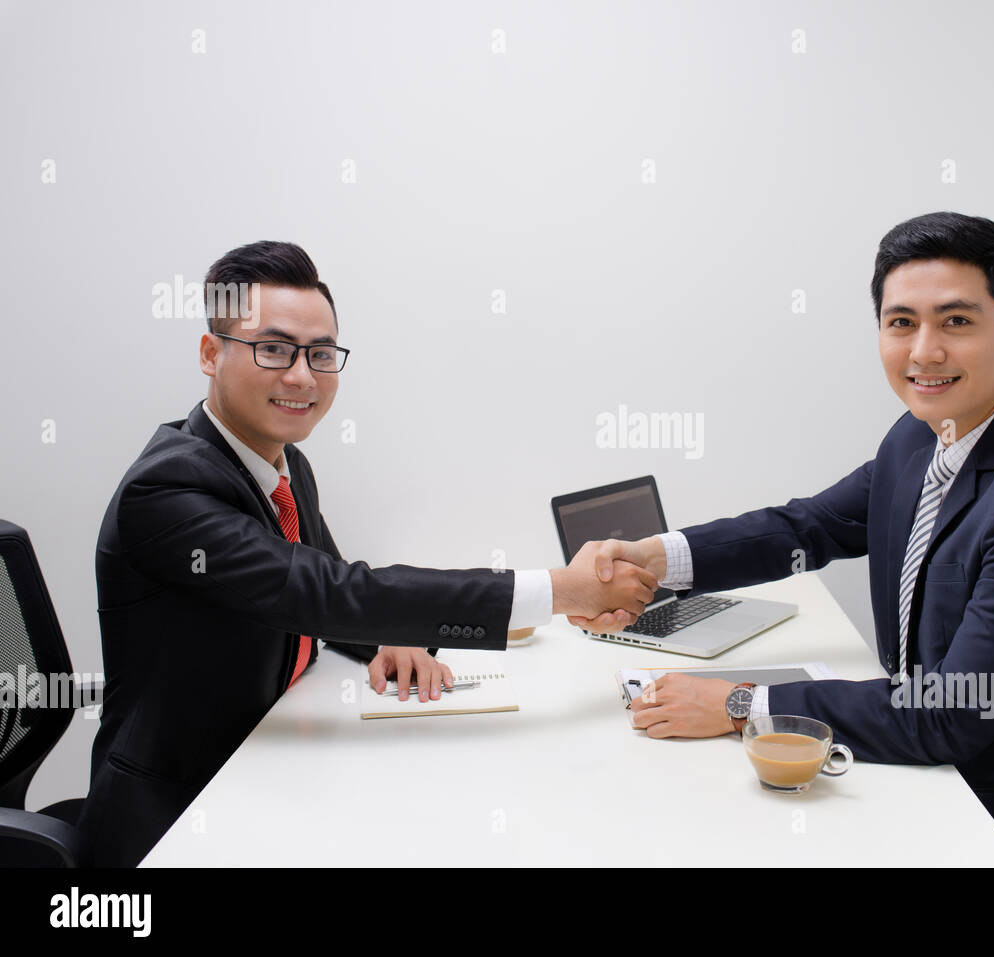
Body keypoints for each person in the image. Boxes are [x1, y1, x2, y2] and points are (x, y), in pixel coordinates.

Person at [574, 212, 994, 867]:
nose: (923, 351)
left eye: (956, 321)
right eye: (902, 323)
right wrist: (655, 559)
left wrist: (739, 703)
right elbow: (808, 527)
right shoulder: (923, 432)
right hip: (922, 773)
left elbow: (950, 710)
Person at [81, 241, 656, 867]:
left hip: (270, 768)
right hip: (176, 817)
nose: (302, 376)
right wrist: (562, 591)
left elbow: (320, 585)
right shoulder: (167, 490)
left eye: (321, 355)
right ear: (210, 353)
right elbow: (328, 594)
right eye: (273, 350)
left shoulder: (283, 466)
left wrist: (382, 638)